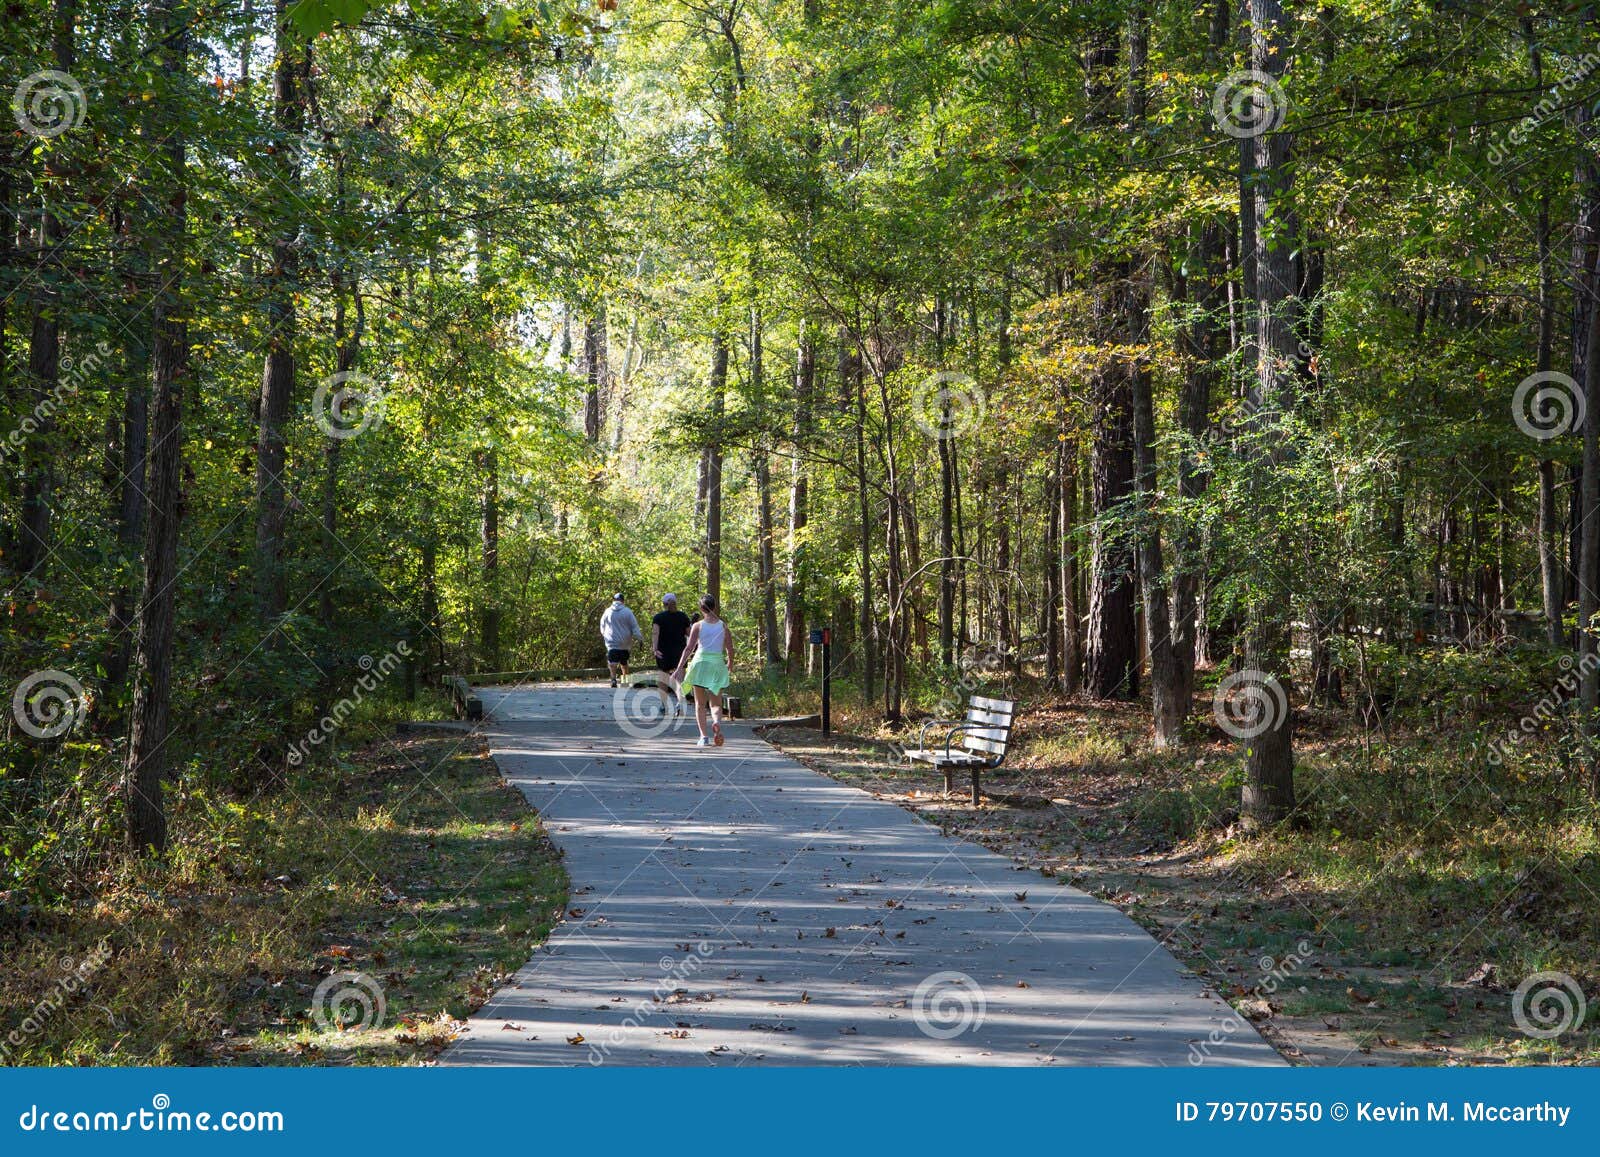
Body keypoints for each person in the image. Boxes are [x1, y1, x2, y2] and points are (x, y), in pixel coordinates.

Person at [672, 594, 735, 747]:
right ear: (714, 607)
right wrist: (730, 664)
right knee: (716, 704)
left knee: (700, 704)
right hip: (716, 665)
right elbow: (730, 649)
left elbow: (689, 648)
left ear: (701, 609)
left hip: (700, 664)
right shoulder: (723, 626)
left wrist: (679, 668)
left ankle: (703, 737)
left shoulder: (698, 626)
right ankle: (716, 722)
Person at [651, 593, 691, 716]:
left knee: (663, 679)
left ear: (664, 604)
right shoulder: (683, 617)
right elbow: (689, 633)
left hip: (663, 652)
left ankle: (664, 705)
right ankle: (680, 703)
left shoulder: (658, 617)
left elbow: (655, 633)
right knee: (680, 680)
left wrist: (655, 649)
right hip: (680, 652)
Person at [599, 593, 643, 688]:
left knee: (612, 662)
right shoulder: (628, 612)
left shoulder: (607, 611)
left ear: (613, 600)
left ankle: (613, 679)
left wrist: (605, 635)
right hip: (625, 642)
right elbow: (634, 626)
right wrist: (640, 638)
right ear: (623, 601)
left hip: (611, 641)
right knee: (624, 662)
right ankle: (625, 681)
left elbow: (602, 625)